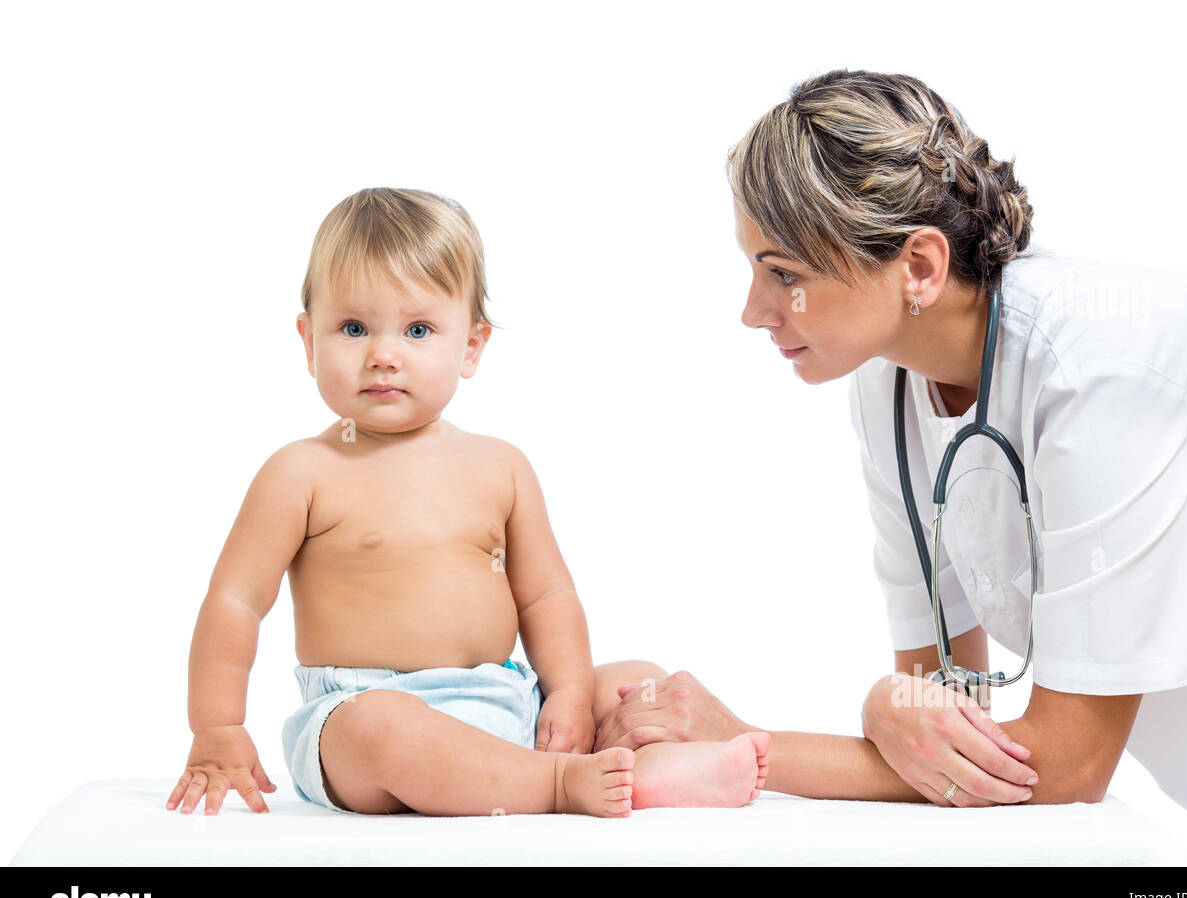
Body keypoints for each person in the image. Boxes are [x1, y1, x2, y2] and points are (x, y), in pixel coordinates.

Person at [595, 70, 1187, 866]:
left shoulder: (1111, 372)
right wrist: (893, 705)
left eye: (784, 274)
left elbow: (1066, 764)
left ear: (921, 267)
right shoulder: (888, 381)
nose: (754, 310)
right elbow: (949, 728)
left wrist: (738, 742)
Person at [165, 186, 770, 819]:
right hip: (358, 715)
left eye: (419, 329)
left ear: (472, 346)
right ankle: (559, 785)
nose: (383, 355)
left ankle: (655, 773)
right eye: (352, 328)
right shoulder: (301, 473)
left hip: (503, 700)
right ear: (308, 341)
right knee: (384, 729)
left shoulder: (500, 467)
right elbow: (234, 602)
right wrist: (217, 729)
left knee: (635, 678)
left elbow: (547, 597)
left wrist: (564, 692)